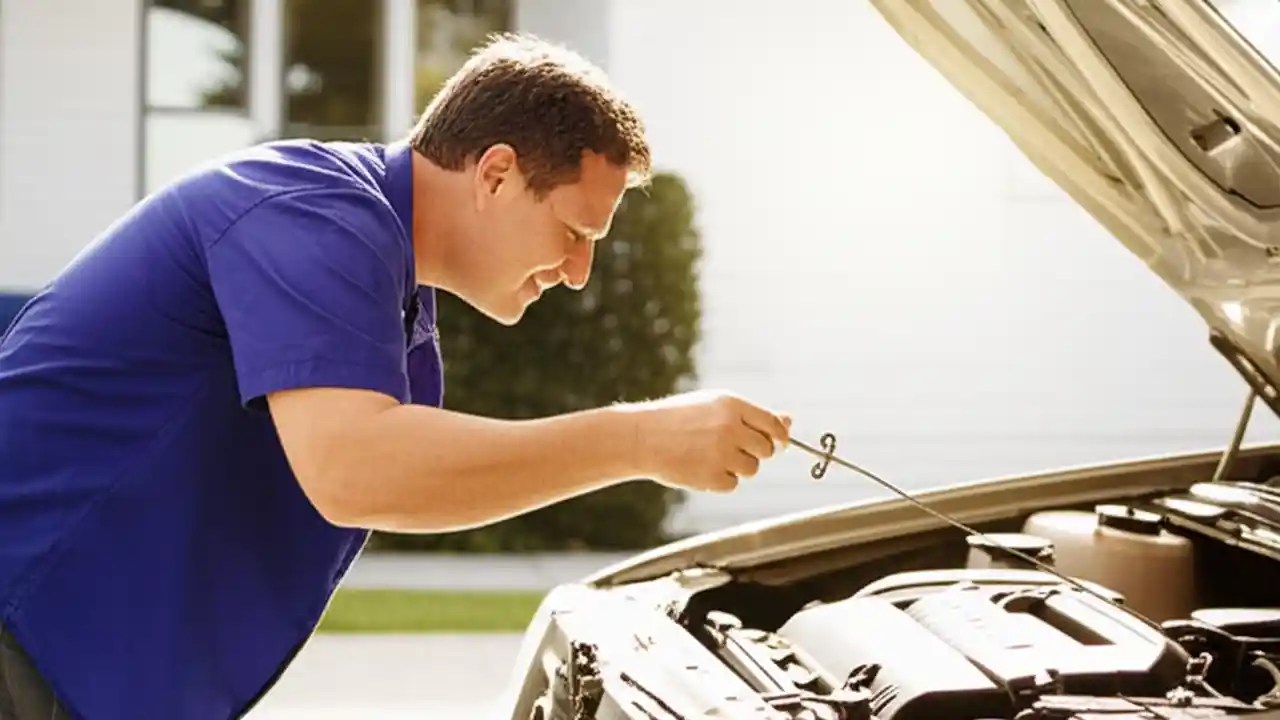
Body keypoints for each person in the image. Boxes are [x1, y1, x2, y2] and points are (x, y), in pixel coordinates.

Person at [0, 32, 790, 719]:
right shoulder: (311, 212)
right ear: (495, 174)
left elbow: (405, 479)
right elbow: (357, 470)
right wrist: (640, 439)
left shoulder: (394, 299)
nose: (580, 273)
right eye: (574, 230)